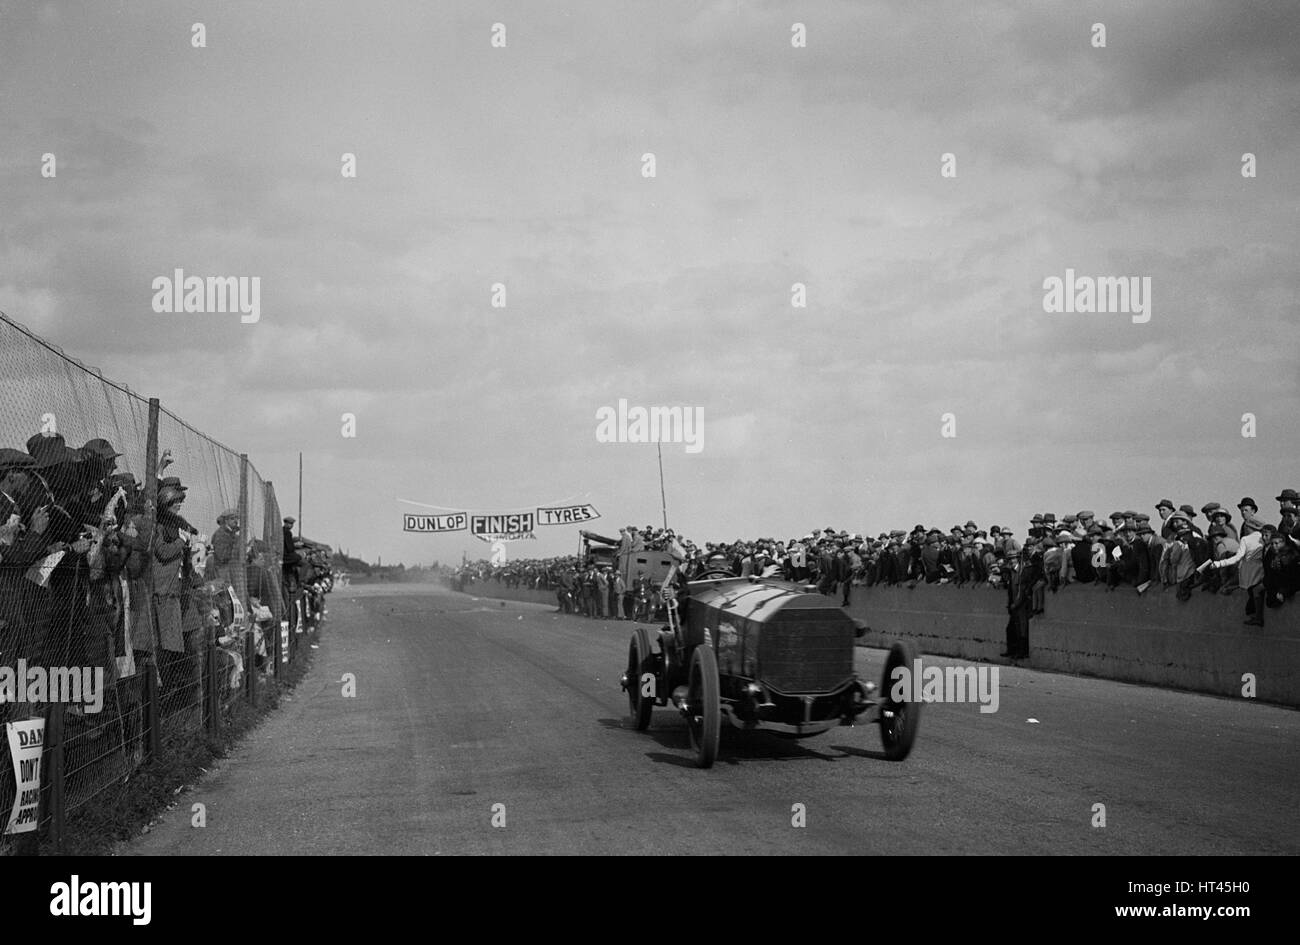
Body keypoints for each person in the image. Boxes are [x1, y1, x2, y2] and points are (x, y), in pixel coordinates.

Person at [1001, 547, 1031, 659]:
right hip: (1014, 604)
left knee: (1022, 628)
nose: (1011, 561)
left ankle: (1022, 652)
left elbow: (1021, 591)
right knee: (1012, 629)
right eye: (1009, 559)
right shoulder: (1012, 572)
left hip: (1021, 605)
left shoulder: (1021, 572)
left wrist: (1016, 604)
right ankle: (1013, 651)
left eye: (1013, 559)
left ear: (1018, 559)